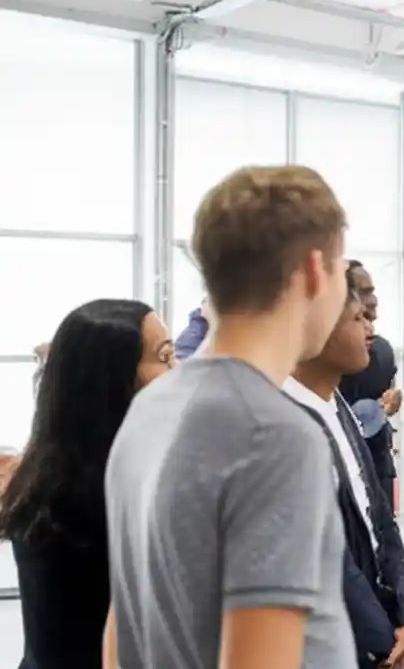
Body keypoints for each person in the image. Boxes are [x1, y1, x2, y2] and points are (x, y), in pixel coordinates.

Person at [103, 165, 355, 668]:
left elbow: (121, 626)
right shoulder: (273, 434)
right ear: (313, 271)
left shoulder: (151, 408)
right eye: (341, 271)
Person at [0, 300, 172, 669]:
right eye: (165, 357)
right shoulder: (106, 496)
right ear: (114, 381)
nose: (179, 370)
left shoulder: (44, 476)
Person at [284, 270, 404, 669]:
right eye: (357, 317)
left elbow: (380, 519)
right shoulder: (282, 422)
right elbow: (321, 556)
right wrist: (382, 642)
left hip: (376, 629)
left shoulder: (337, 404)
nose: (370, 325)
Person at [340, 260, 401, 507]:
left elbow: (387, 396)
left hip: (377, 467)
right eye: (363, 292)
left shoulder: (382, 351)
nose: (373, 301)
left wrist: (391, 401)